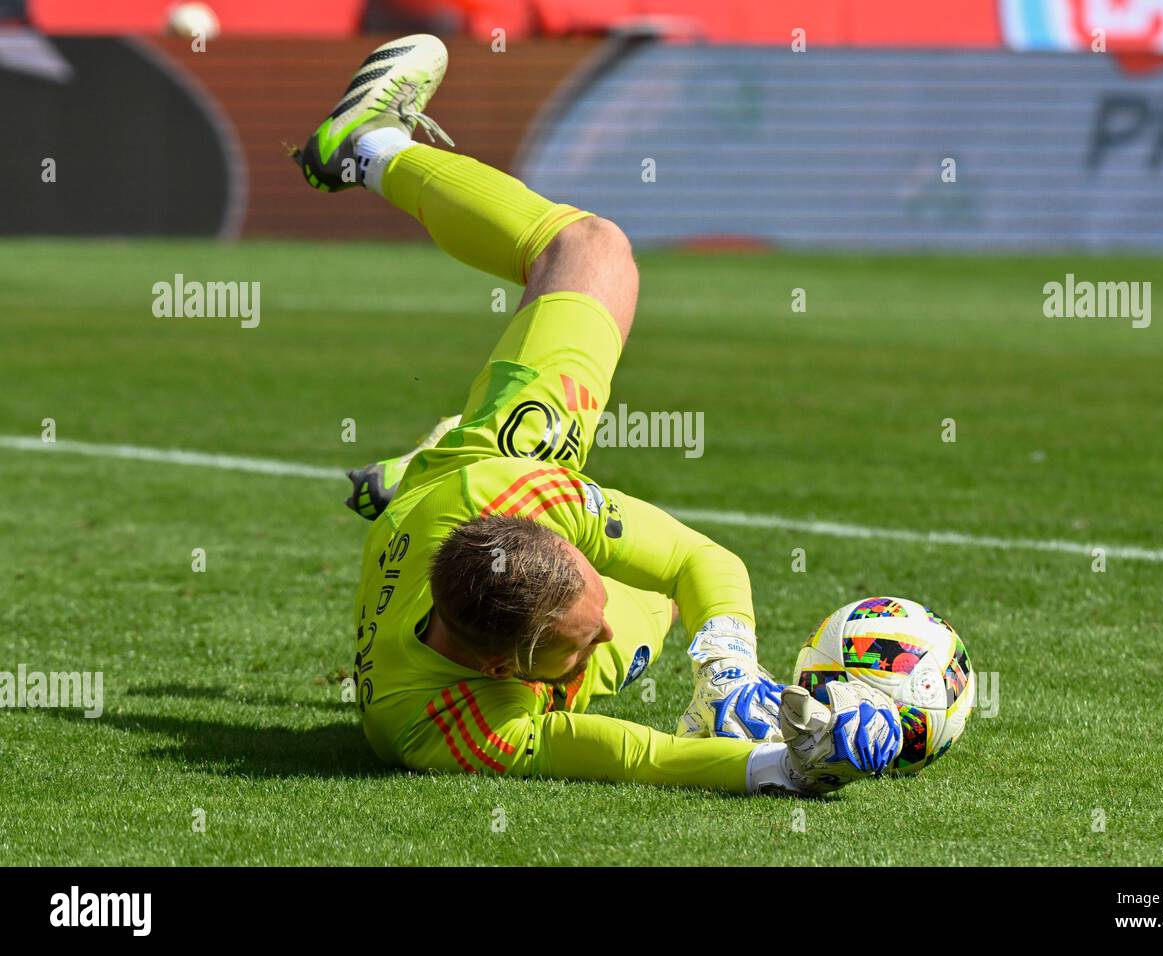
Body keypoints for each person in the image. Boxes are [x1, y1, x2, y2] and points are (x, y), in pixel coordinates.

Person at [291, 34, 902, 796]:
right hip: (444, 544)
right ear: (497, 671)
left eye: (591, 590)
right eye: (581, 641)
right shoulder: (437, 729)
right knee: (658, 610)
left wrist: (731, 667)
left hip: (472, 475)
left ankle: (366, 146)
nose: (604, 623)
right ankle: (406, 482)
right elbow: (636, 756)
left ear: (554, 537)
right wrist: (786, 763)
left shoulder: (512, 495)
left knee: (589, 246)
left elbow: (701, 559)